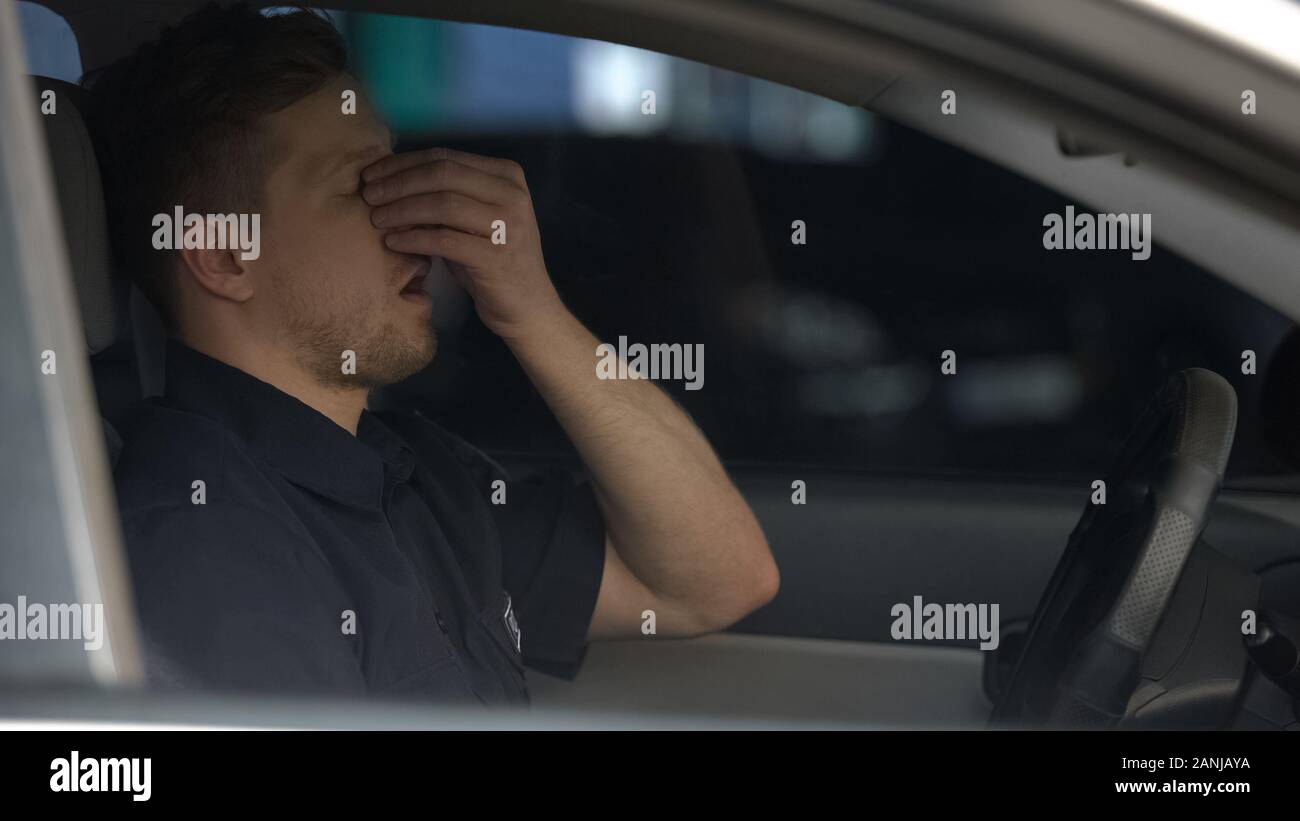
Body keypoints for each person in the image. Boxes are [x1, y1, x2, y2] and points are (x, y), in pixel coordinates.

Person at [83, 3, 778, 703]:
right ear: (225, 251)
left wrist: (532, 312)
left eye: (402, 177)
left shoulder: (414, 473)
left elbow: (713, 583)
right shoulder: (209, 550)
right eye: (363, 187)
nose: (417, 229)